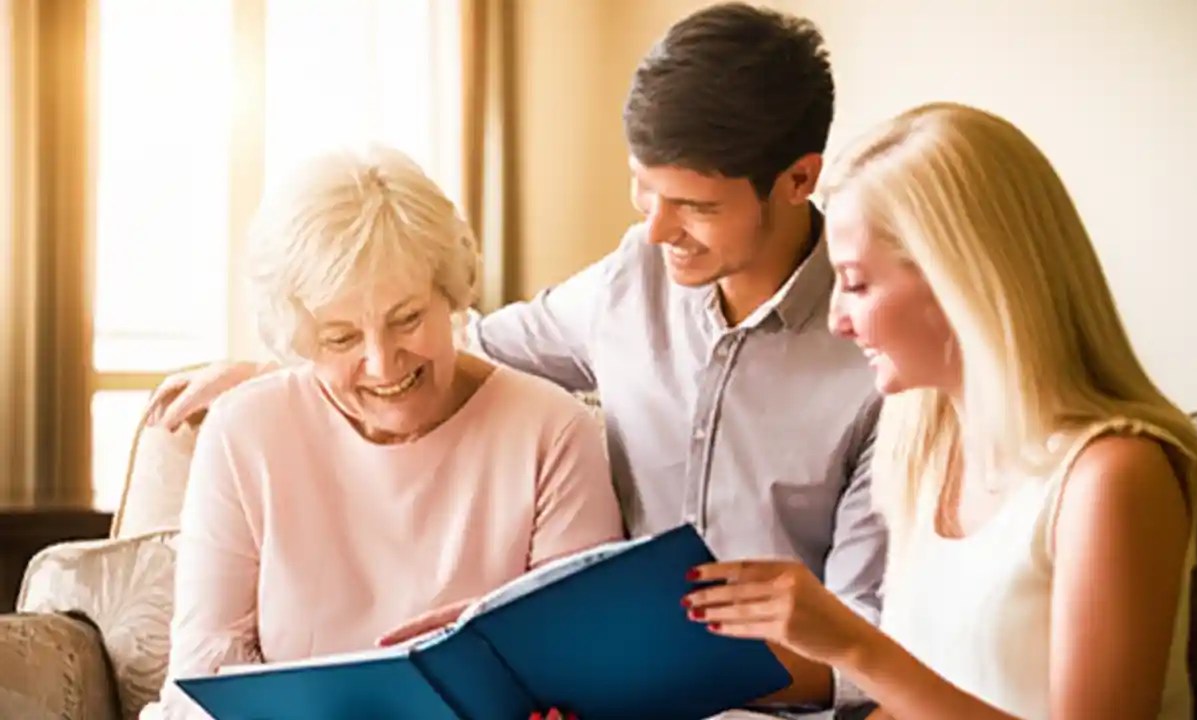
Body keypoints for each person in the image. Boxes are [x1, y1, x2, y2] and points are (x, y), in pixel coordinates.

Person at [144, 4, 883, 716]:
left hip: (765, 707)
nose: (655, 231)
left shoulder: (877, 369)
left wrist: (637, 662)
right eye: (643, 189)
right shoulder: (631, 280)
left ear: (798, 179)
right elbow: (451, 348)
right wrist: (294, 373)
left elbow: (865, 652)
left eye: (695, 206)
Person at [682, 102, 1197, 720]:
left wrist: (856, 648)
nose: (836, 320)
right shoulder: (928, 448)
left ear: (963, 279)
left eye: (855, 284)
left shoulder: (1110, 478)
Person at [143, 145, 623, 719]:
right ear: (300, 339)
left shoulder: (552, 431)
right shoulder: (243, 431)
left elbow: (583, 675)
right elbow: (202, 679)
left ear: (450, 293)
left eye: (407, 319)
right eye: (342, 338)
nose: (383, 363)